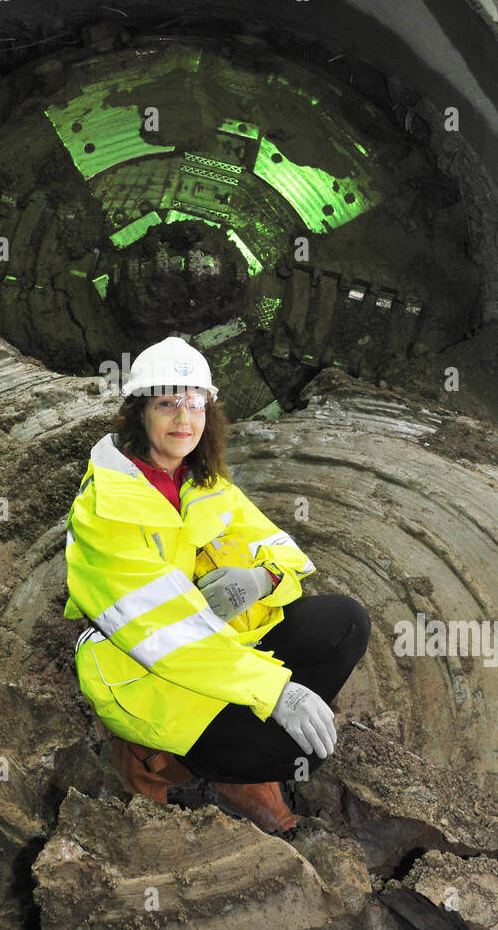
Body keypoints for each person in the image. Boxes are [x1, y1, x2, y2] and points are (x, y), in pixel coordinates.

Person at [63, 336, 371, 834]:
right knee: (295, 752)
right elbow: (168, 637)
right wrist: (276, 693)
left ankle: (236, 766)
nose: (184, 419)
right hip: (145, 674)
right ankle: (154, 759)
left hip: (219, 647)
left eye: (195, 404)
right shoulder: (106, 510)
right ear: (139, 412)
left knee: (345, 622)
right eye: (167, 404)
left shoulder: (202, 482)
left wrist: (260, 577)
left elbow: (286, 551)